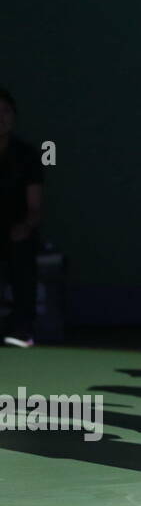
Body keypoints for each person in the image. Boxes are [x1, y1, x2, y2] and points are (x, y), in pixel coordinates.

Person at [0, 89, 42, 349]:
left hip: (15, 230)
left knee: (22, 251)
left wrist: (25, 226)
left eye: (5, 112)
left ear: (14, 117)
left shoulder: (27, 155)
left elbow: (35, 207)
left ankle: (20, 331)